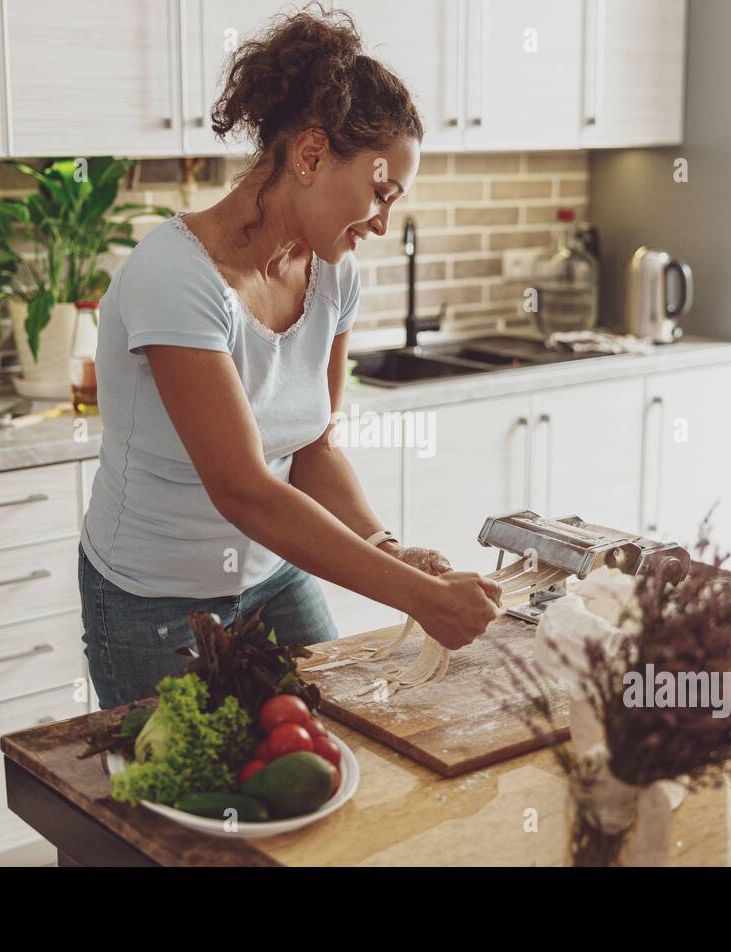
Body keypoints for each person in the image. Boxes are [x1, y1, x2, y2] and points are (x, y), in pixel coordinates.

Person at [79, 8, 500, 707]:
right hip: (154, 603)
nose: (382, 221)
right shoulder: (174, 279)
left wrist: (387, 548)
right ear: (309, 156)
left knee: (328, 759)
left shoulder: (334, 272)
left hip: (274, 575)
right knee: (184, 806)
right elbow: (243, 488)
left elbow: (313, 452)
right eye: (380, 191)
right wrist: (420, 596)